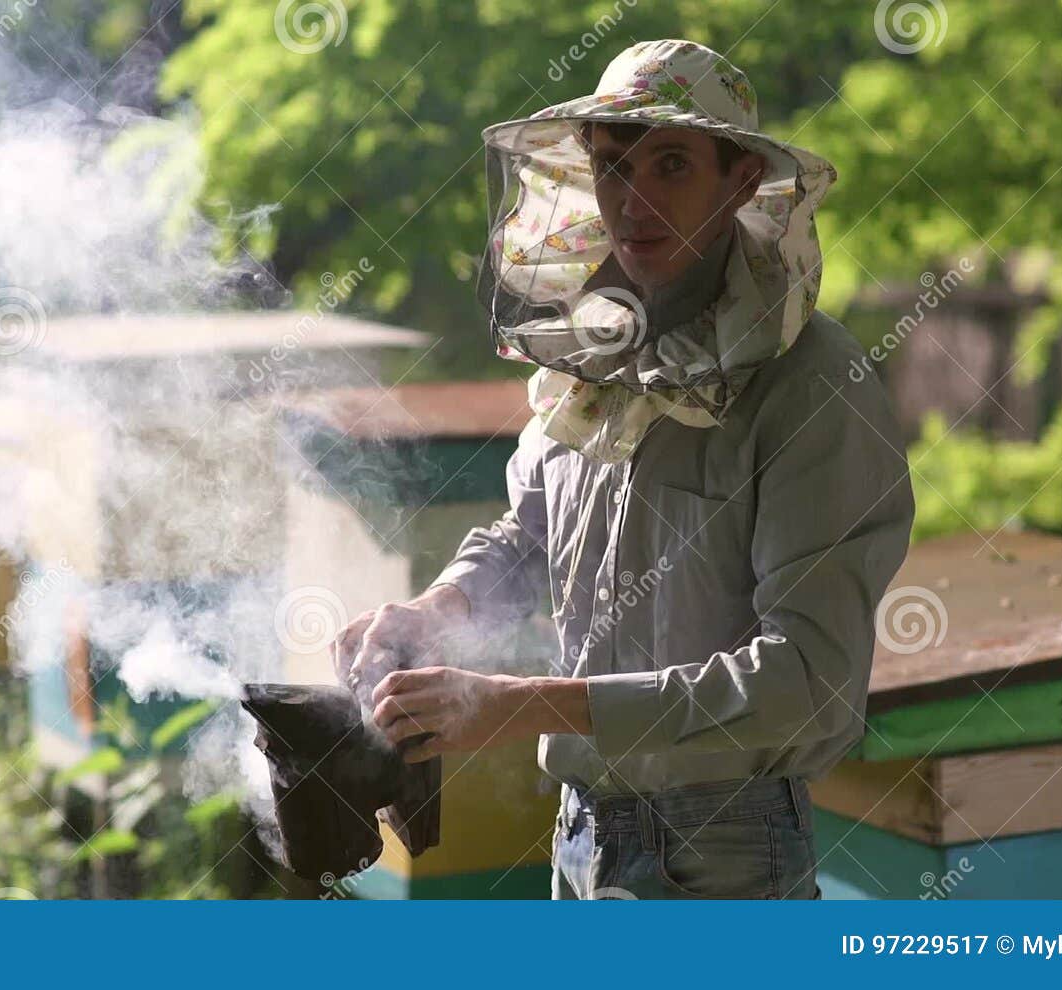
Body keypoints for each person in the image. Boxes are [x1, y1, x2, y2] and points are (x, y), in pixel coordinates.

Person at [331, 39, 914, 899]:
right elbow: (529, 538)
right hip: (579, 831)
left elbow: (809, 683)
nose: (632, 199)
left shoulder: (810, 386)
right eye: (611, 166)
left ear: (742, 180)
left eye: (671, 165)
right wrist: (436, 610)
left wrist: (515, 705)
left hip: (723, 850)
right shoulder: (591, 351)